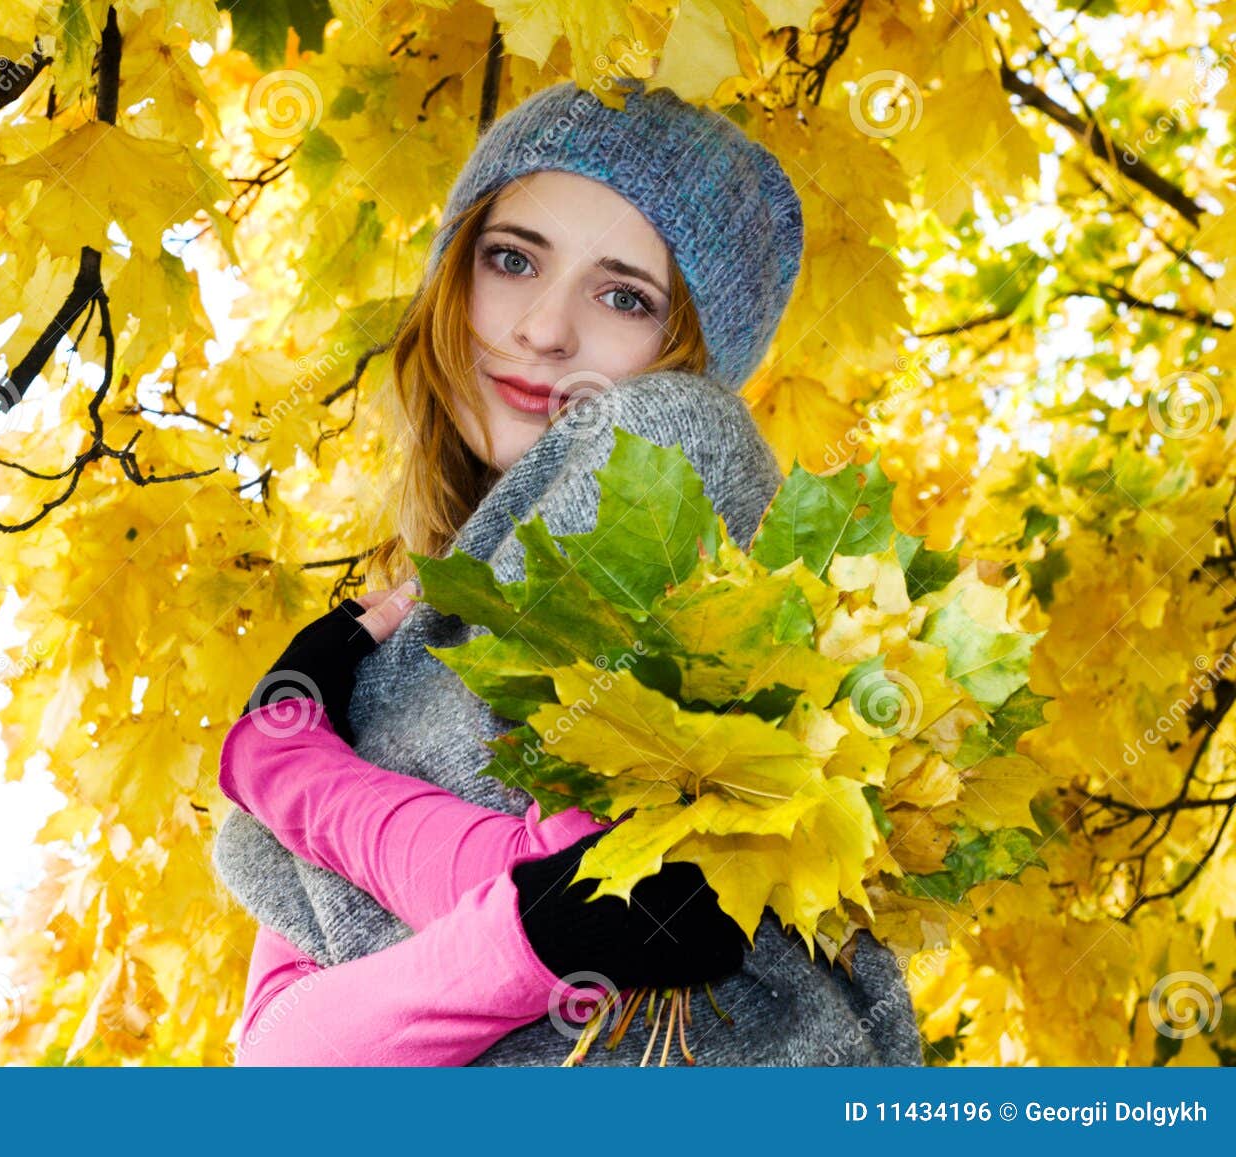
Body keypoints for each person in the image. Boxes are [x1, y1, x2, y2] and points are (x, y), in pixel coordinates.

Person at [212, 78, 925, 1067]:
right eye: (511, 260)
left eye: (623, 295)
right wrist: (514, 930)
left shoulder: (671, 452)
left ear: (686, 352)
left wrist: (283, 770)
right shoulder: (393, 651)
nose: (544, 330)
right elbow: (278, 1058)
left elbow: (607, 897)